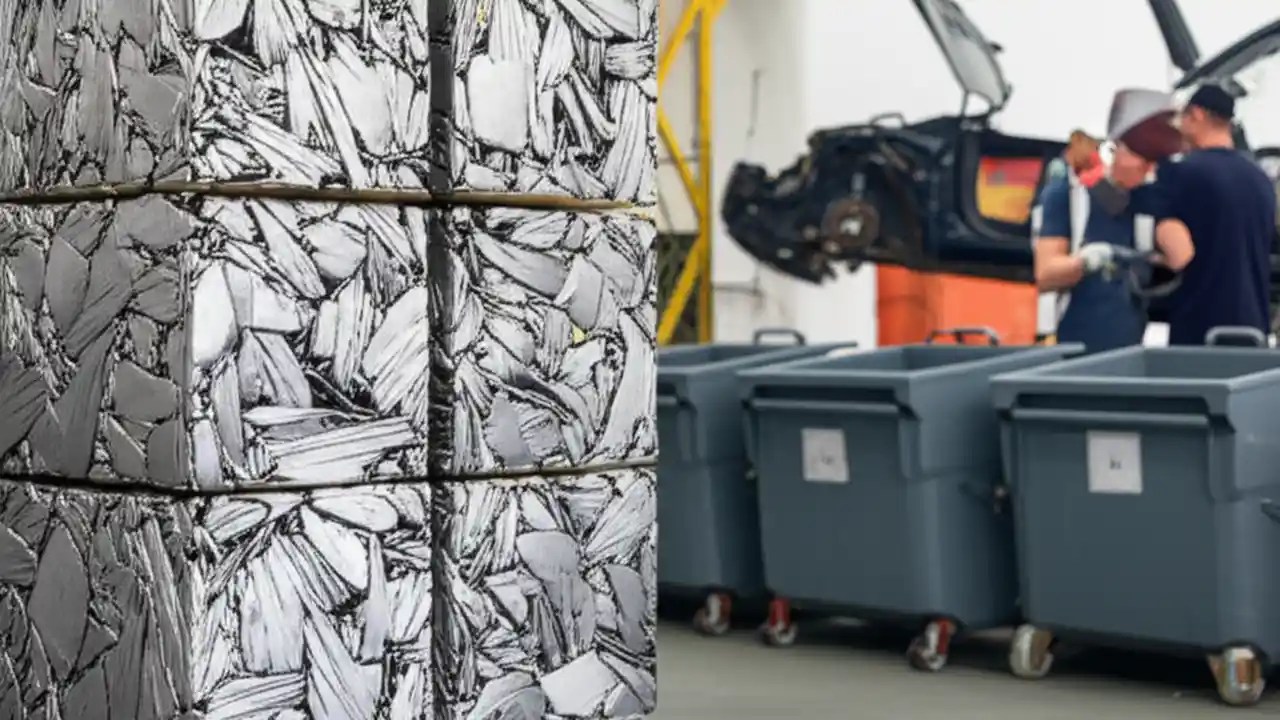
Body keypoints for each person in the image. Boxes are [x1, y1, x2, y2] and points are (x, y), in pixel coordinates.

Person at [1032, 91, 1175, 353]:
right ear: (1115, 151)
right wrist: (1087, 260)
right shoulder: (1067, 196)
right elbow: (1046, 274)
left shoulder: (1146, 203)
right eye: (1140, 157)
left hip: (1128, 352)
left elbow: (1175, 260)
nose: (1146, 168)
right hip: (1070, 350)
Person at [1152, 84, 1275, 345]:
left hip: (1201, 333)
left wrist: (1154, 255)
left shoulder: (1181, 174)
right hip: (1254, 330)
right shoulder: (1260, 180)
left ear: (1196, 115)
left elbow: (1178, 255)